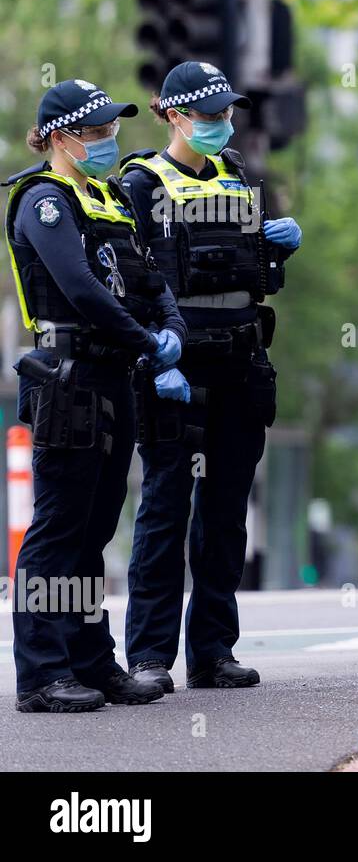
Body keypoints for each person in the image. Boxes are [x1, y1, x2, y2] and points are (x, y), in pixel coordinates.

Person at [4, 79, 187, 713]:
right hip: (68, 376)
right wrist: (145, 339)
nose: (110, 139)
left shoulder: (108, 198)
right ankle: (41, 674)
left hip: (115, 375)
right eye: (97, 131)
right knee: (58, 530)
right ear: (60, 138)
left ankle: (91, 661)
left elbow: (150, 275)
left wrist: (171, 331)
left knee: (95, 532)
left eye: (113, 129)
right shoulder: (44, 201)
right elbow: (80, 288)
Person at [117, 61, 300, 692]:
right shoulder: (140, 184)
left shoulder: (238, 177)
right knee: (166, 507)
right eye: (208, 115)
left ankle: (214, 650)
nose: (221, 125)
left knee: (225, 515)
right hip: (176, 366)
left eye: (226, 114)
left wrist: (277, 252)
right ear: (173, 115)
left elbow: (254, 277)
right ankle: (147, 657)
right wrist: (151, 359)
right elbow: (130, 284)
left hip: (241, 362)